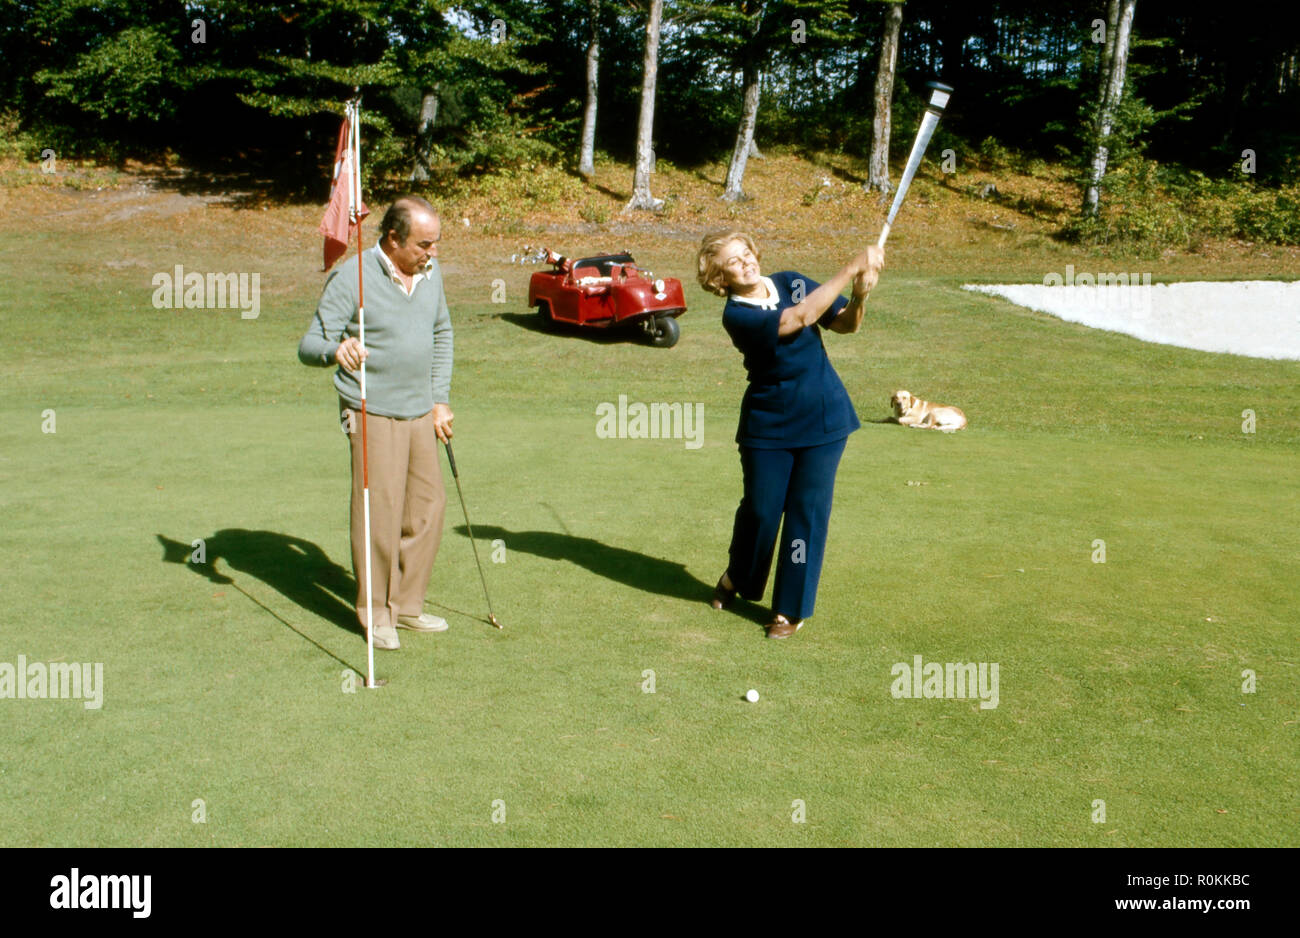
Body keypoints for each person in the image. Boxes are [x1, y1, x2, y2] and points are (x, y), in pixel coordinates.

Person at [696, 230, 883, 638]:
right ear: (719, 278)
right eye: (733, 261)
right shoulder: (737, 315)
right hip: (769, 424)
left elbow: (844, 324)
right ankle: (738, 576)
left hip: (824, 418)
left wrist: (860, 294)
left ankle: (789, 609)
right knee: (761, 512)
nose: (746, 261)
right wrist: (851, 263)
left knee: (807, 513)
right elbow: (796, 318)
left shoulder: (793, 282)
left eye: (746, 252)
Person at [299, 196, 455, 650]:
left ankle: (406, 607)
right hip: (370, 409)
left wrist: (440, 399)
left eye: (437, 243)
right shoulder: (353, 277)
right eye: (424, 244)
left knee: (428, 507)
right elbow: (310, 344)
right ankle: (377, 614)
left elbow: (441, 332)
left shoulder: (430, 273)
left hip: (420, 409)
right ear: (393, 238)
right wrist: (336, 351)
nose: (433, 252)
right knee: (380, 513)